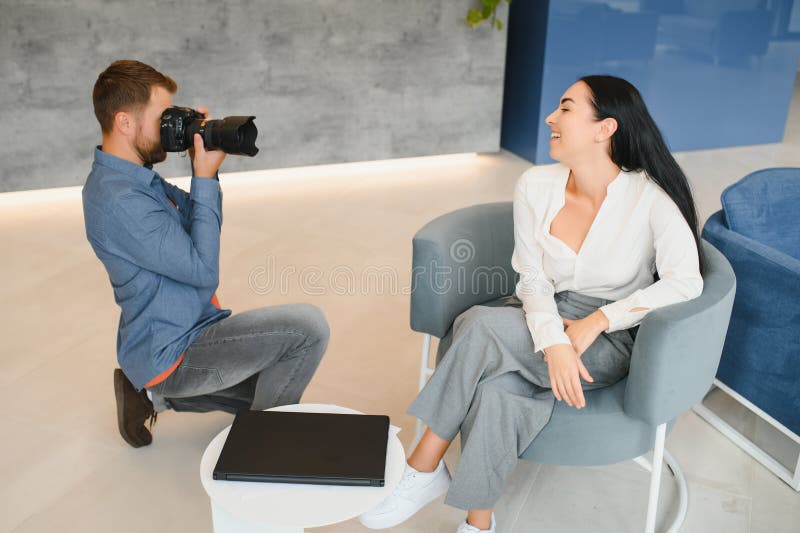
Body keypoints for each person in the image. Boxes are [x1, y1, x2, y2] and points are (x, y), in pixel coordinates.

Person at [359, 75, 704, 532]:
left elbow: (686, 283)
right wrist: (553, 343)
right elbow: (533, 279)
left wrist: (599, 320)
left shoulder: (650, 199)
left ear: (605, 128)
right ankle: (479, 523)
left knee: (479, 327)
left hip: (608, 339)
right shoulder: (536, 184)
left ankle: (422, 467)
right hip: (542, 312)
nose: (549, 118)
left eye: (565, 108)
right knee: (497, 388)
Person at [83, 60, 329, 448]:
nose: (170, 126)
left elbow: (196, 216)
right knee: (306, 330)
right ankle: (265, 452)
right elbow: (202, 268)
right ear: (125, 122)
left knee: (270, 389)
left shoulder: (130, 175)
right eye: (162, 117)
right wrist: (202, 178)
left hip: (182, 329)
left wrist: (206, 171)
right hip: (174, 348)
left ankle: (149, 396)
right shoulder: (120, 199)